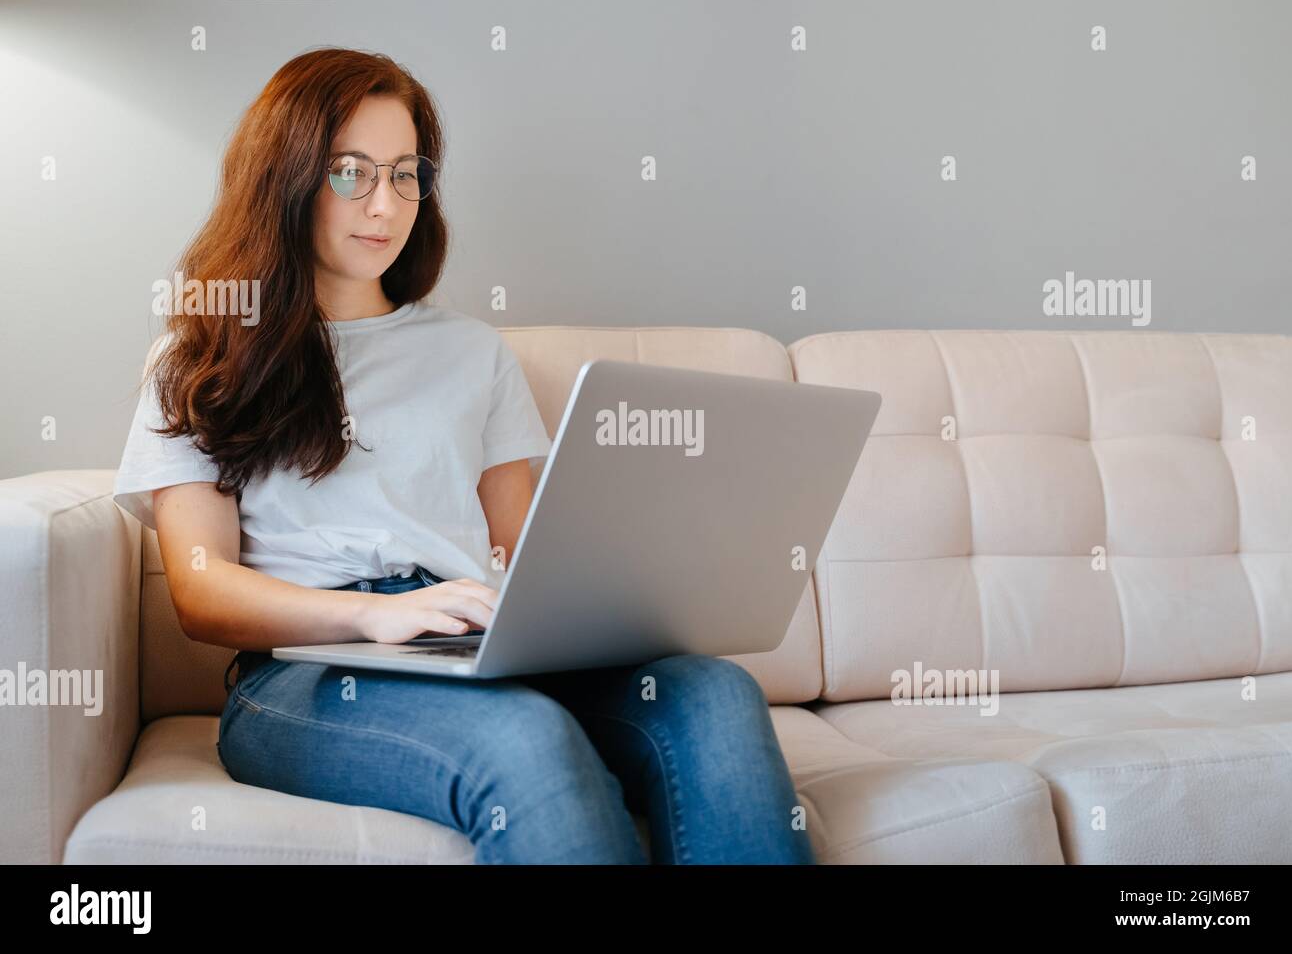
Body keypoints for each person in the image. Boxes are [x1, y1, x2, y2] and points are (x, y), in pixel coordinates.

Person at [111, 47, 814, 865]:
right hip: (305, 675)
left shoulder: (471, 353)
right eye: (352, 174)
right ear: (287, 178)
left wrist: (608, 598)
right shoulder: (199, 357)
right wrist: (375, 616)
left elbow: (518, 549)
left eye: (408, 174)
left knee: (714, 693)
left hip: (470, 639)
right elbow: (200, 594)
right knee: (525, 737)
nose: (385, 205)